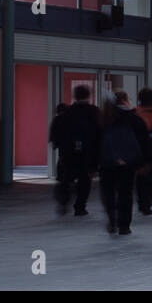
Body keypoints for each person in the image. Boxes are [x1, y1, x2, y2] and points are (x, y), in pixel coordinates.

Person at [99, 92, 149, 235]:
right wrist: (144, 162)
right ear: (124, 100)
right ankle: (124, 225)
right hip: (128, 162)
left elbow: (95, 142)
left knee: (108, 192)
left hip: (107, 162)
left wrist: (92, 163)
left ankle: (112, 219)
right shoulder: (133, 118)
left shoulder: (104, 118)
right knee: (125, 193)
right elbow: (143, 141)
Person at [53, 85, 99, 216]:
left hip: (69, 153)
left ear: (75, 96)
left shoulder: (67, 113)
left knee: (67, 177)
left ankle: (64, 199)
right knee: (85, 180)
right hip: (89, 153)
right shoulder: (94, 112)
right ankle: (80, 207)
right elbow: (100, 133)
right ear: (88, 96)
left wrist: (60, 148)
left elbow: (57, 133)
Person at [134, 87, 152, 215]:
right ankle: (147, 203)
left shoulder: (134, 112)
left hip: (138, 148)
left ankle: (141, 201)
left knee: (140, 175)